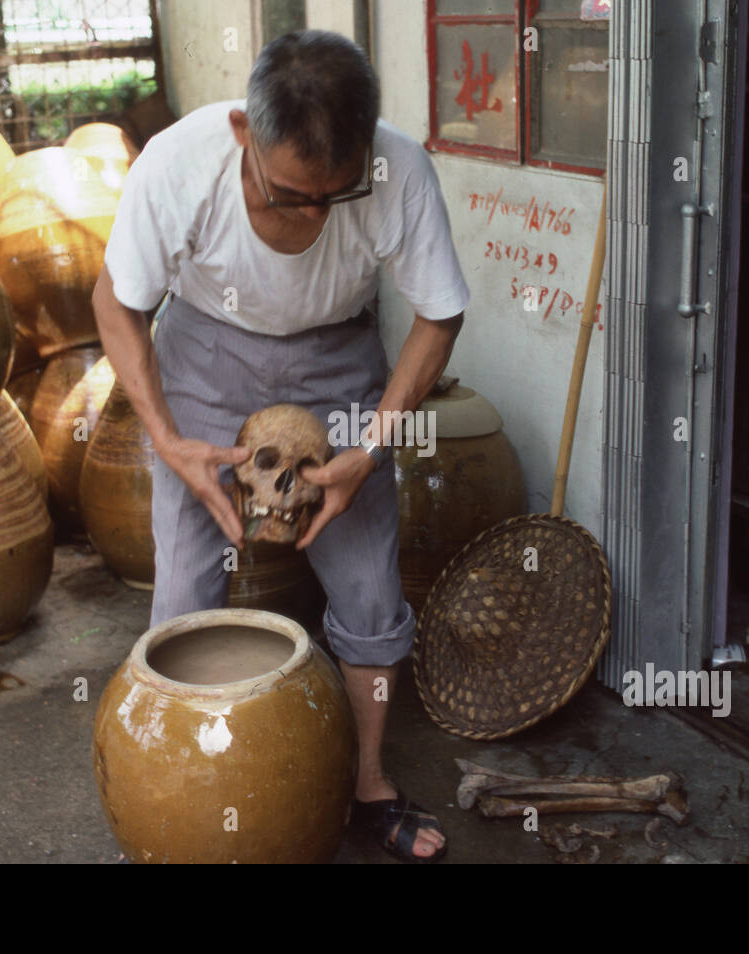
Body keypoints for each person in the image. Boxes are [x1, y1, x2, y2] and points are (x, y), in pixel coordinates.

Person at [91, 29, 469, 863]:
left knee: (370, 582)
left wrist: (368, 449)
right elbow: (115, 304)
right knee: (186, 582)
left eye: (330, 199)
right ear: (242, 136)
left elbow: (439, 316)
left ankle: (369, 785)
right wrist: (169, 441)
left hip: (338, 357)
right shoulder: (178, 164)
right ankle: (174, 794)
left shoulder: (396, 172)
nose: (306, 216)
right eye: (287, 193)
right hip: (207, 350)